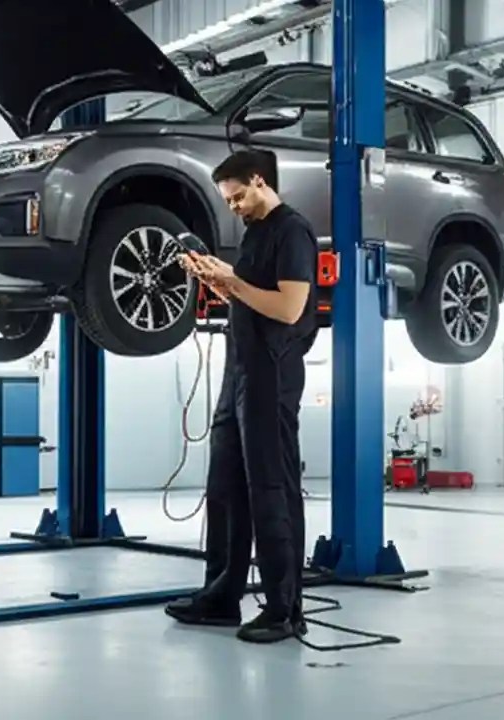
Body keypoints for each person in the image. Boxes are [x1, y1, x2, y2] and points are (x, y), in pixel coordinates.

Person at [165, 149, 319, 644]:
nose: (231, 206)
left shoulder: (290, 231)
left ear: (259, 181)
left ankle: (284, 608)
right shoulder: (254, 235)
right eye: (226, 200)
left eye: (235, 197)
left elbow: (292, 308)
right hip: (239, 373)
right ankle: (221, 595)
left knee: (271, 490)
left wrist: (231, 280)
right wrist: (220, 280)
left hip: (271, 374)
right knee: (226, 487)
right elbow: (252, 297)